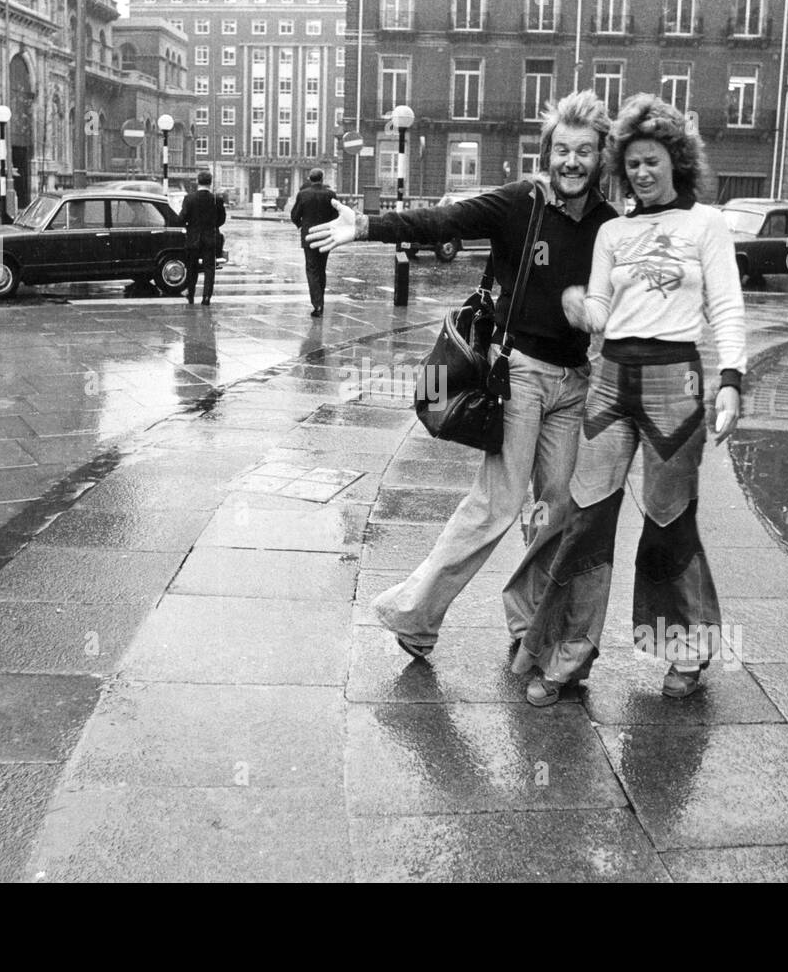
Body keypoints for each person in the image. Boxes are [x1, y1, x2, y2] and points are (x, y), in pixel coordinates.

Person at [306, 90, 618, 659]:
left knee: (556, 512)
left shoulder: (608, 225)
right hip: (518, 373)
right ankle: (413, 613)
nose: (573, 162)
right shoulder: (520, 202)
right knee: (498, 504)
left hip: (573, 384)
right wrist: (367, 227)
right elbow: (444, 219)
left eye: (586, 152)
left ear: (601, 159)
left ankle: (529, 625)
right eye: (563, 150)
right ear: (548, 153)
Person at [512, 93, 746, 707]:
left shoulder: (707, 226)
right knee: (584, 518)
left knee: (669, 522)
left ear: (677, 161)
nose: (642, 173)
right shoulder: (613, 231)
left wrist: (731, 379)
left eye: (653, 161)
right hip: (612, 378)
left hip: (677, 383)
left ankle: (687, 655)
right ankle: (567, 656)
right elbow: (599, 309)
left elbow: (725, 307)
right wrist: (576, 306)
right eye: (633, 164)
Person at [290, 168, 339, 317]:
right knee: (321, 268)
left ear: (310, 179)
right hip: (325, 235)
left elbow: (294, 215)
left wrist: (302, 225)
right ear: (322, 178)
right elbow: (336, 215)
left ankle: (317, 304)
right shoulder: (330, 194)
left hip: (309, 236)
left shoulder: (303, 194)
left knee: (311, 269)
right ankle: (321, 301)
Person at [176, 170, 225, 305]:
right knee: (209, 268)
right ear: (210, 182)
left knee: (192, 267)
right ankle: (207, 297)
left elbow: (182, 218)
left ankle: (191, 294)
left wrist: (189, 225)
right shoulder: (217, 199)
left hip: (193, 238)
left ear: (198, 181)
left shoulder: (189, 198)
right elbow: (222, 220)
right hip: (210, 238)